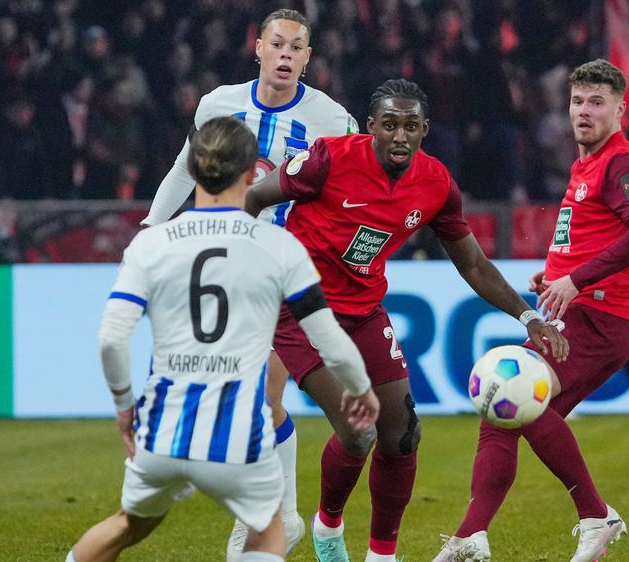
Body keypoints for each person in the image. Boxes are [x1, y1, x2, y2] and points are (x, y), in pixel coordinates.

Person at [245, 78, 568, 562]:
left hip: (363, 310)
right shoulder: (328, 159)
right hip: (301, 312)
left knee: (403, 435)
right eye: (390, 124)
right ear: (371, 126)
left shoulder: (435, 183)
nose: (400, 135)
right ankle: (328, 526)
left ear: (424, 130)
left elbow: (473, 263)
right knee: (359, 431)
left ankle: (382, 555)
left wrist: (527, 315)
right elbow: (252, 198)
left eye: (411, 126)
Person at [65, 116, 379, 562]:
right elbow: (327, 338)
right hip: (238, 437)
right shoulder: (280, 247)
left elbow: (111, 340)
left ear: (192, 171)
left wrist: (122, 407)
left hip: (162, 432)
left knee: (125, 526)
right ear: (254, 173)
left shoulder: (149, 245)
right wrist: (361, 389)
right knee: (272, 529)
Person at [141, 10, 358, 558]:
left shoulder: (332, 120)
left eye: (297, 48)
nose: (286, 55)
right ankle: (263, 500)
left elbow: (359, 188)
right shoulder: (219, 104)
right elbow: (186, 169)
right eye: (277, 44)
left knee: (264, 394)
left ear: (308, 58)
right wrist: (151, 226)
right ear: (257, 47)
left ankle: (270, 511)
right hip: (219, 260)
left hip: (287, 270)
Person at [434, 59, 629, 562]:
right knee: (502, 412)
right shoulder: (586, 162)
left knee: (514, 393)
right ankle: (472, 536)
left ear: (620, 109)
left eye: (597, 102)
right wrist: (556, 274)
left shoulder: (622, 163)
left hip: (602, 318)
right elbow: (596, 235)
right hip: (582, 313)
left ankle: (596, 515)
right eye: (578, 100)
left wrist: (576, 279)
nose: (584, 111)